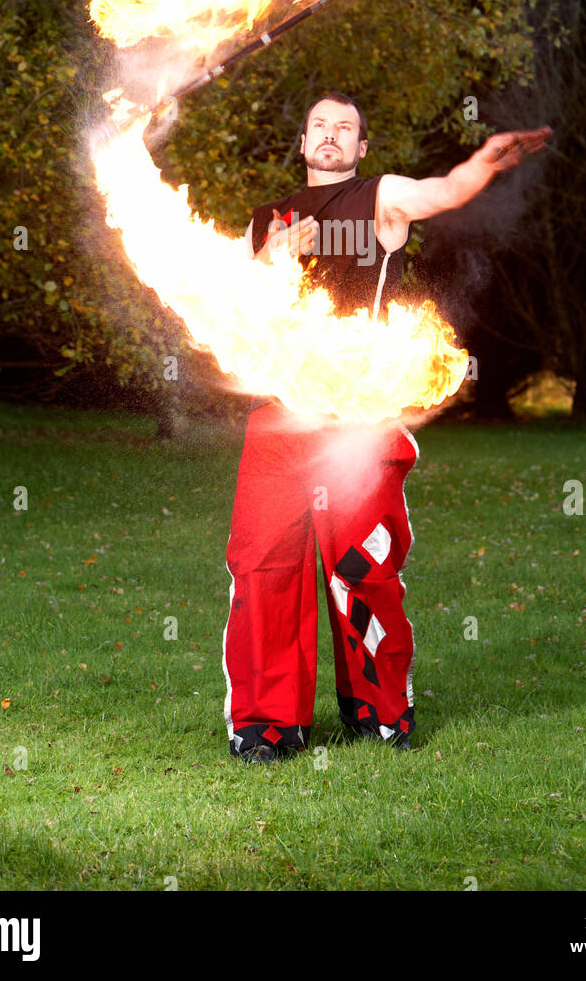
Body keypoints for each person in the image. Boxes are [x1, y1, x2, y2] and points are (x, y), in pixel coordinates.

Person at [221, 91, 551, 763]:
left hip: (359, 418)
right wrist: (269, 260)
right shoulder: (267, 218)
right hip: (283, 417)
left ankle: (376, 710)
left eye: (345, 127)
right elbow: (235, 310)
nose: (331, 135)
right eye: (319, 125)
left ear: (362, 146)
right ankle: (267, 723)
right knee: (263, 565)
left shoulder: (381, 198)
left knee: (362, 567)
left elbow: (445, 189)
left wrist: (485, 164)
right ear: (304, 140)